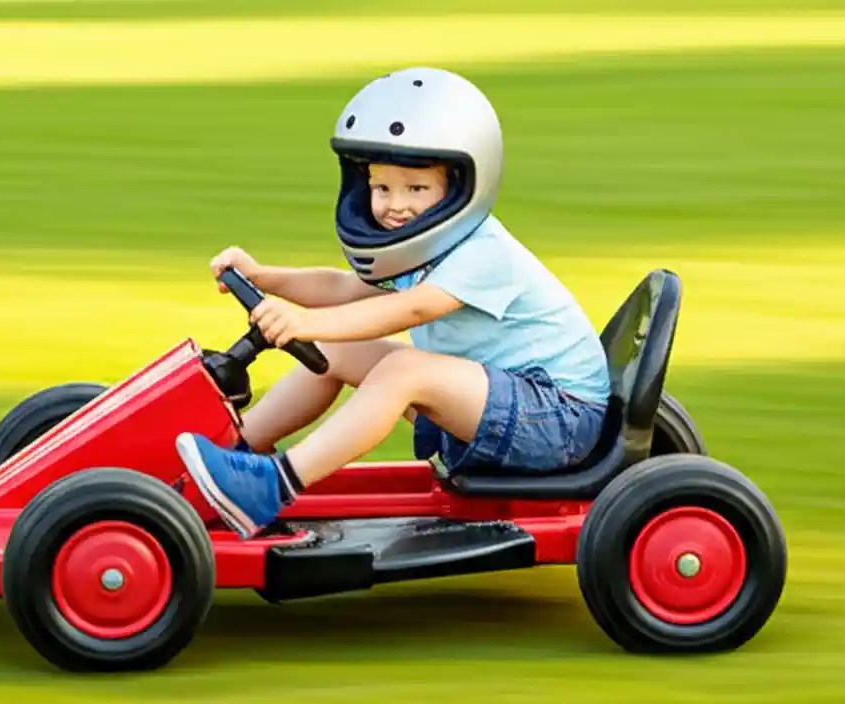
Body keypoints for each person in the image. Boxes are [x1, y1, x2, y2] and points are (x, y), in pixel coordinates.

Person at [175, 67, 610, 539]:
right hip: (504, 404)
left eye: (416, 189)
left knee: (404, 372)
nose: (394, 205)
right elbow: (346, 289)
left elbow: (412, 310)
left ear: (460, 188)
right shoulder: (428, 246)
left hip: (558, 419)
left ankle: (268, 487)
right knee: (337, 351)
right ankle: (236, 455)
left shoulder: (484, 252)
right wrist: (264, 277)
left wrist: (302, 321)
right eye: (382, 188)